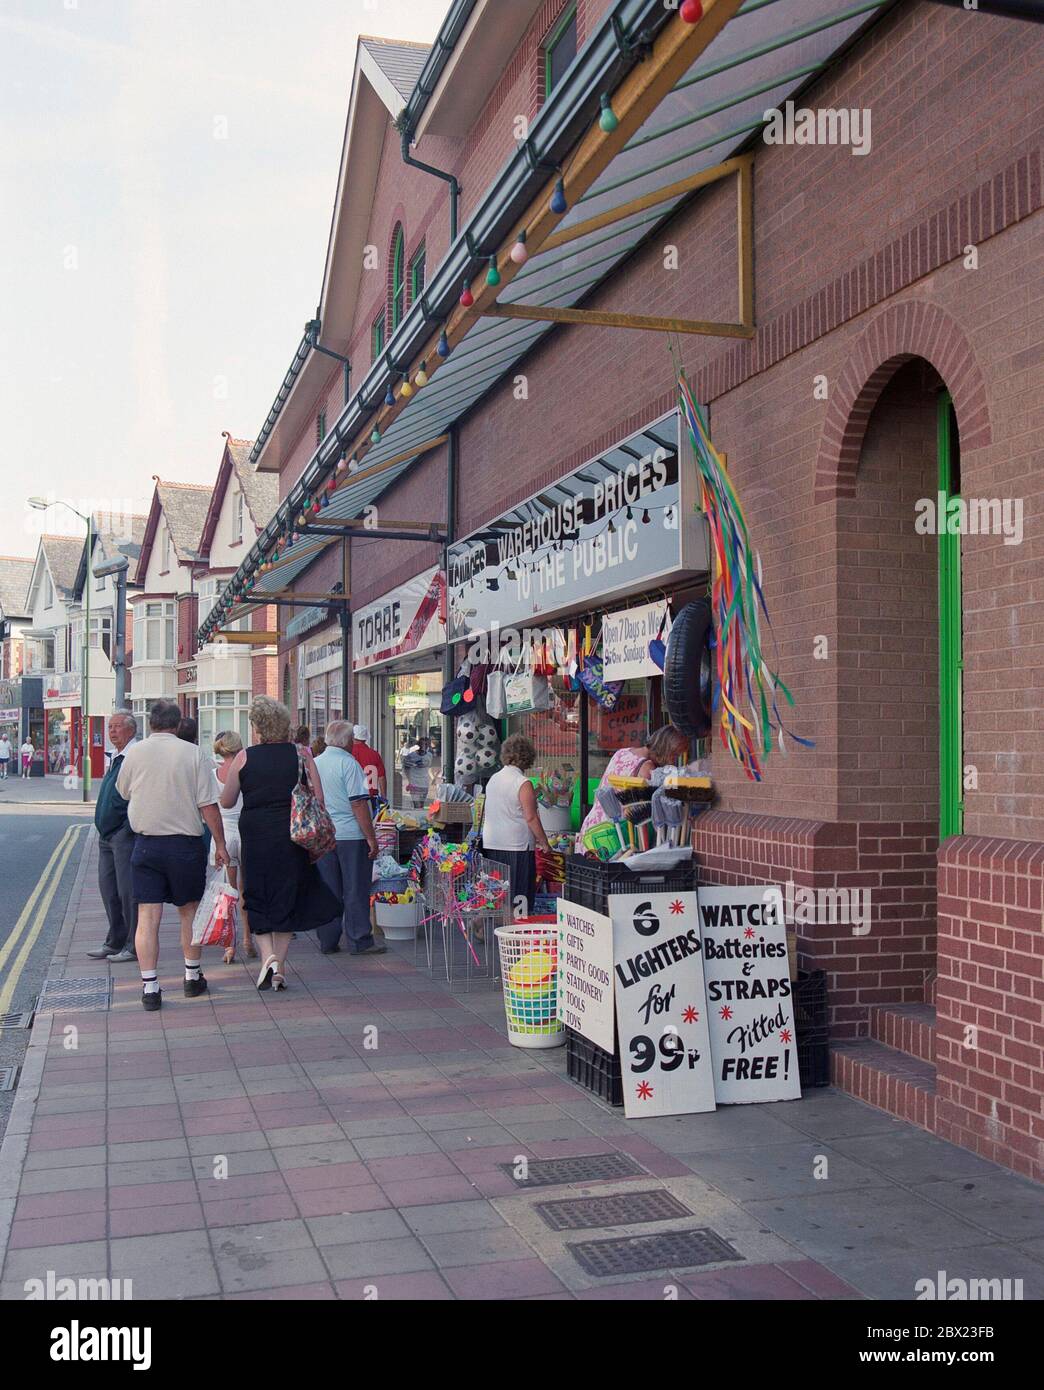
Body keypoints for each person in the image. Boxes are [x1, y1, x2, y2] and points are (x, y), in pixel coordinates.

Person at [219, 696, 340, 991]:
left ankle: (268, 958)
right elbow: (319, 797)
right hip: (292, 834)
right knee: (287, 895)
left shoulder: (244, 757)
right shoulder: (301, 754)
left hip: (256, 835)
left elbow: (227, 800)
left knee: (258, 894)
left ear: (258, 727)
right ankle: (279, 969)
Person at [116, 699, 229, 1013]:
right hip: (184, 846)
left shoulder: (135, 753)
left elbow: (123, 792)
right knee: (188, 912)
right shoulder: (193, 754)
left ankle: (150, 988)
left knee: (148, 918)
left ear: (150, 723)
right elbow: (209, 805)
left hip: (146, 845)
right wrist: (220, 844)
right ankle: (192, 977)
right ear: (178, 725)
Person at [314, 721, 383, 956]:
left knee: (328, 888)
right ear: (347, 741)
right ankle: (359, 939)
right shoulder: (350, 764)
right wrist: (371, 838)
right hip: (350, 835)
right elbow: (358, 803)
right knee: (355, 888)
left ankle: (328, 939)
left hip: (324, 834)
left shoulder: (315, 764)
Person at [87, 711, 140, 963]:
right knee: (108, 889)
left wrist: (127, 827)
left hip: (122, 834)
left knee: (126, 891)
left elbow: (139, 795)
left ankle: (133, 944)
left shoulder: (135, 755)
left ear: (131, 730)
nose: (112, 731)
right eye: (109, 727)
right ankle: (115, 940)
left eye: (117, 727)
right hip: (106, 835)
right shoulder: (117, 756)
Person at [481, 734, 551, 921]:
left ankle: (479, 921)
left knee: (497, 888)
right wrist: (544, 842)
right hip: (516, 845)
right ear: (527, 757)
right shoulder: (523, 783)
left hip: (492, 841)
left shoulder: (494, 779)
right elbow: (531, 817)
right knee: (519, 892)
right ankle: (514, 932)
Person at [578, 723, 691, 839]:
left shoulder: (622, 752)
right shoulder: (648, 769)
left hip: (591, 830)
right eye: (675, 755)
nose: (674, 761)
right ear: (666, 750)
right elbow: (646, 816)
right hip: (613, 837)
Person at [211, 730, 256, 964]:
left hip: (224, 834)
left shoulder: (213, 774)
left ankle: (229, 946)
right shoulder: (246, 770)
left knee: (227, 893)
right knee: (245, 889)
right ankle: (249, 939)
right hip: (246, 832)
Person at [352, 723, 387, 805]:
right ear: (365, 739)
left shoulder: (348, 753)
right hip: (372, 797)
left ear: (352, 737)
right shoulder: (374, 754)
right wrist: (384, 797)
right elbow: (381, 777)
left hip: (353, 797)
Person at [401, 736, 433, 808]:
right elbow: (405, 767)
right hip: (415, 783)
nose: (424, 747)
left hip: (425, 783)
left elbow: (428, 766)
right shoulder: (411, 756)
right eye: (422, 745)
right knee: (417, 805)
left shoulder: (429, 755)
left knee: (421, 805)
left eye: (426, 745)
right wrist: (410, 780)